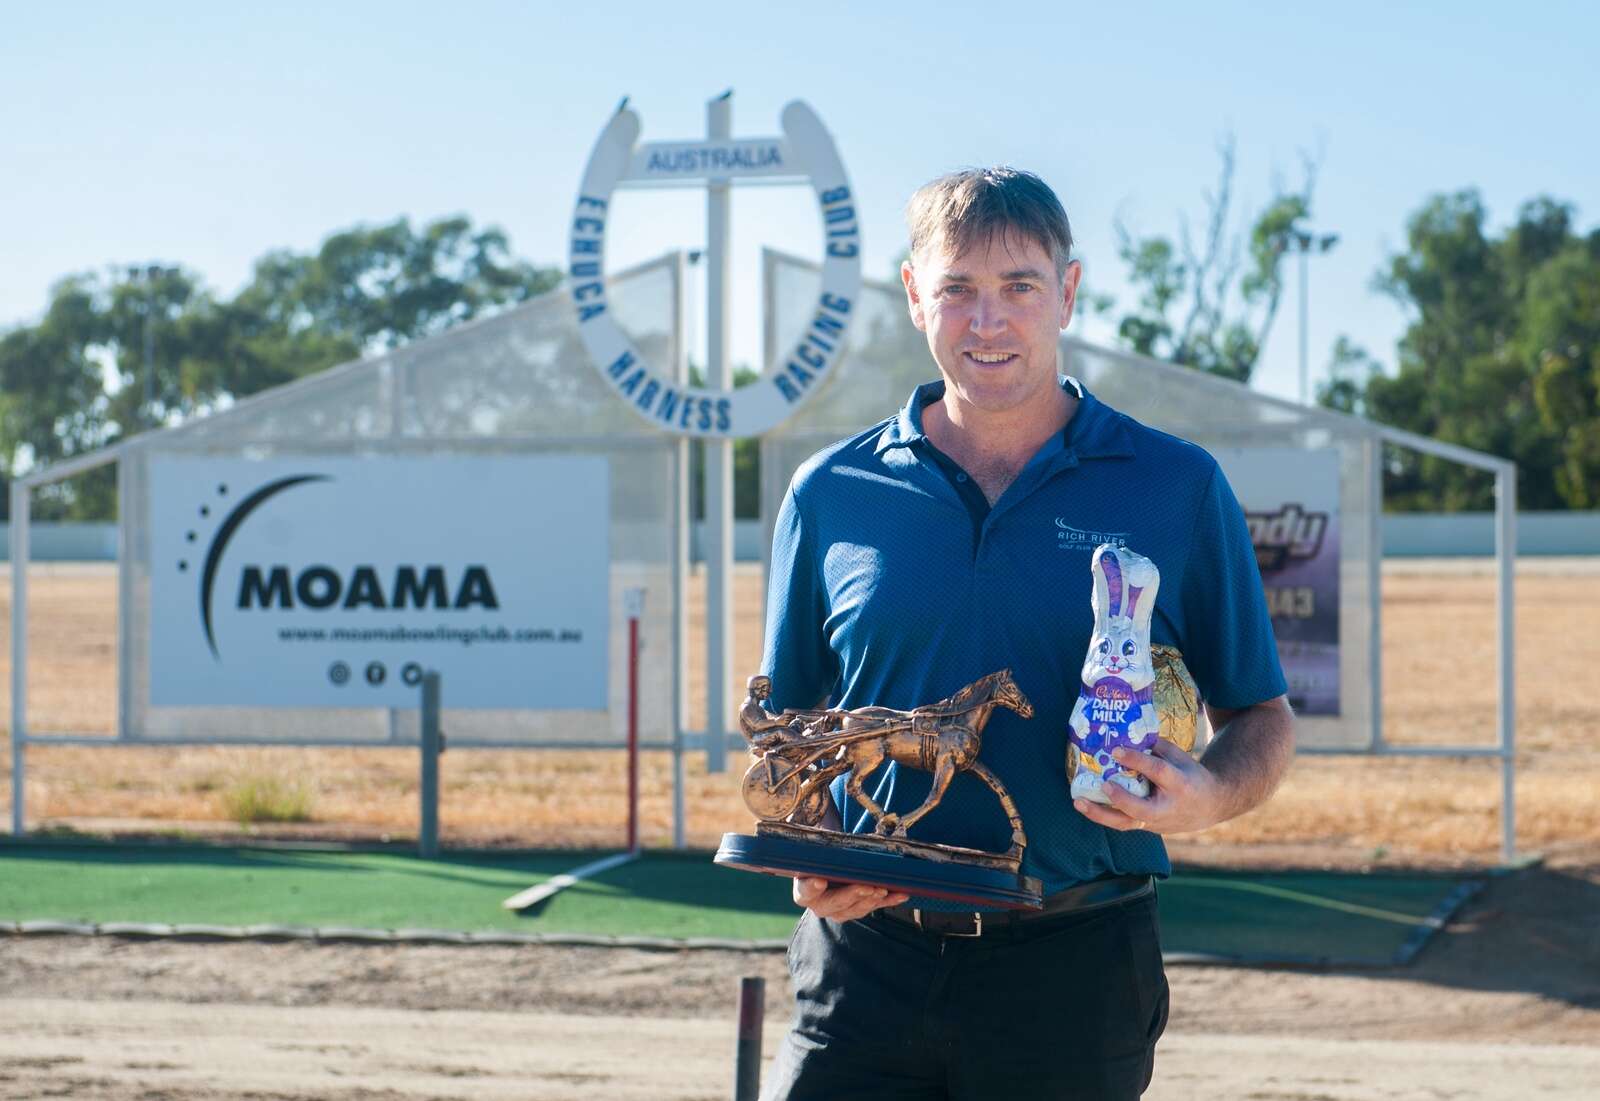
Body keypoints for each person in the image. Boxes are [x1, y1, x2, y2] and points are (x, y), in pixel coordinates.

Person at [757, 167, 1296, 1100]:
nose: (987, 320)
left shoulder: (1173, 485)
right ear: (915, 295)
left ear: (1069, 295)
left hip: (1075, 965)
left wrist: (1206, 796)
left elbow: (1258, 711)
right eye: (957, 288)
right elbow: (790, 730)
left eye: (1019, 287)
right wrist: (809, 857)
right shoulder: (830, 493)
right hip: (864, 967)